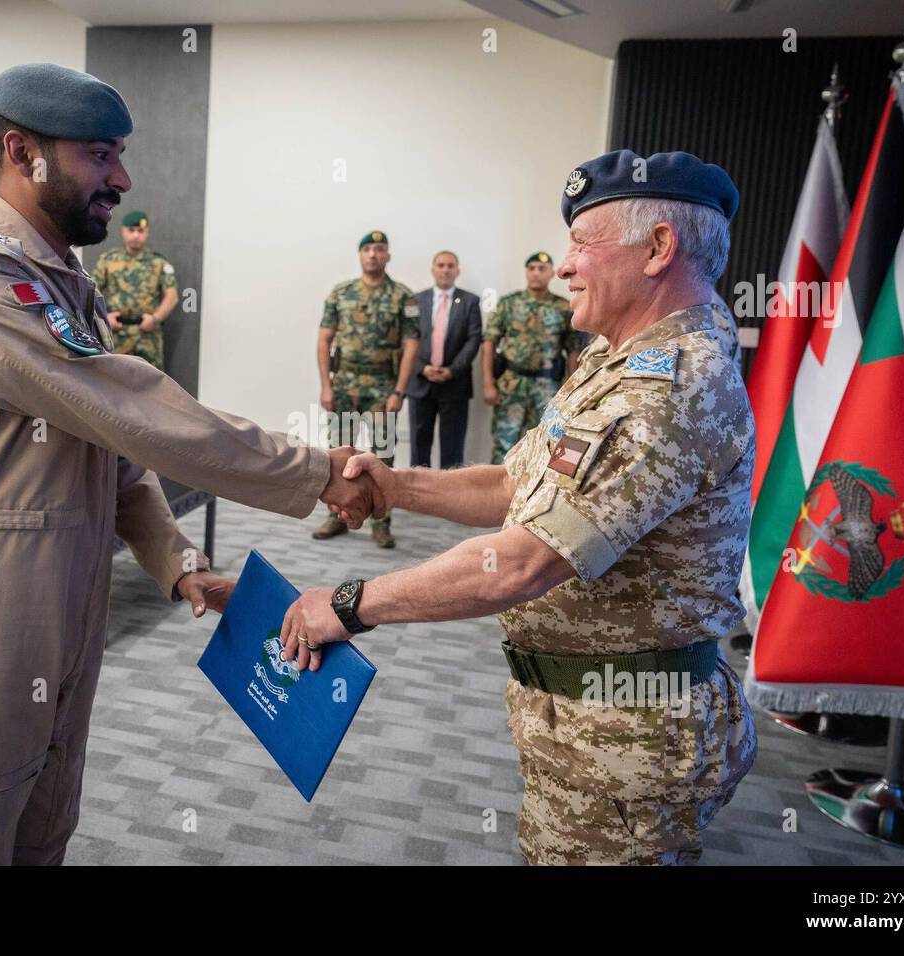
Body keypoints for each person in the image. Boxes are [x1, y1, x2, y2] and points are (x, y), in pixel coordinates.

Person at [0, 63, 383, 865]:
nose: (123, 178)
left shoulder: (60, 278)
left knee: (44, 820)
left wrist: (178, 565)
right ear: (21, 151)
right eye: (101, 156)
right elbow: (132, 408)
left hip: (67, 587)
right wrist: (316, 473)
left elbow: (110, 454)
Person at [280, 150, 758, 866]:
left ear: (659, 247)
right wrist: (396, 486)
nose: (564, 266)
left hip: (627, 737)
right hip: (585, 720)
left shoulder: (670, 387)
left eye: (582, 244)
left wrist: (350, 603)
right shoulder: (614, 358)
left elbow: (524, 562)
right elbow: (516, 484)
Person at [313, 231, 419, 548]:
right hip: (344, 382)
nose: (373, 254)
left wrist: (399, 391)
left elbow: (411, 345)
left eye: (380, 249)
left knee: (382, 455)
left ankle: (381, 520)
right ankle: (336, 514)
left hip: (382, 386)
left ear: (387, 255)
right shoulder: (340, 293)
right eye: (368, 249)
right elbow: (324, 340)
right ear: (360, 255)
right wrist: (326, 386)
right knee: (338, 454)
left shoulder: (404, 296)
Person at [481, 252, 581, 464]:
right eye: (532, 268)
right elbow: (489, 342)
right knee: (504, 444)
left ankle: (535, 496)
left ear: (552, 273)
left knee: (546, 443)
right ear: (526, 272)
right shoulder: (509, 303)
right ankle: (497, 497)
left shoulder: (563, 307)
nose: (536, 273)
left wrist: (571, 389)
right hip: (511, 384)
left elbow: (573, 350)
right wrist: (488, 383)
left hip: (547, 387)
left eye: (541, 269)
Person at [406, 251, 481, 469]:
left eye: (450, 266)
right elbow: (408, 339)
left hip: (455, 384)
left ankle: (448, 500)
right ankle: (418, 497)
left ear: (457, 271)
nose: (445, 270)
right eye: (441, 265)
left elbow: (473, 339)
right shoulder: (414, 301)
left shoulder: (470, 301)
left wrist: (452, 370)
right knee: (419, 445)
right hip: (421, 383)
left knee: (453, 447)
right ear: (433, 270)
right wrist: (422, 367)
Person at [90, 210, 177, 369]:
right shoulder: (109, 260)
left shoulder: (158, 262)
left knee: (152, 385)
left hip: (148, 336)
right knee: (114, 381)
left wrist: (155, 319)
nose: (136, 235)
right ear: (123, 231)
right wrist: (104, 318)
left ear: (147, 232)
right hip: (117, 334)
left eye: (140, 231)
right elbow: (91, 291)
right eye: (131, 230)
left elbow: (172, 296)